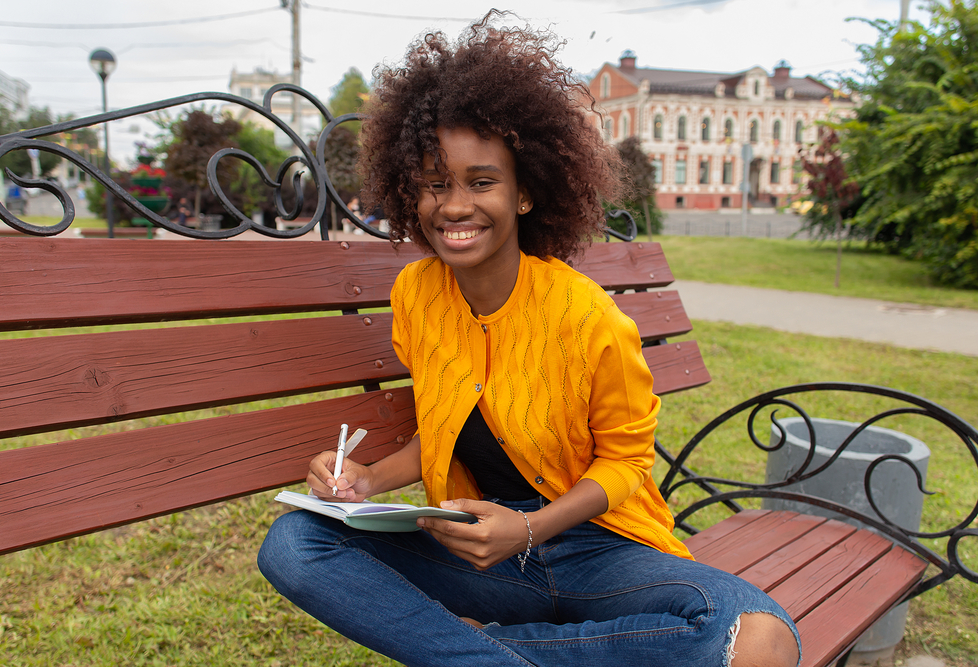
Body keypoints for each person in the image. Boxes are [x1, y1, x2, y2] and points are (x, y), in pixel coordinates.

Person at [258, 12, 801, 667]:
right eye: (435, 184)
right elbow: (446, 427)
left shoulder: (586, 315)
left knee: (761, 638)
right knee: (293, 541)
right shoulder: (417, 295)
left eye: (481, 181)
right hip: (471, 548)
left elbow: (627, 464)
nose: (453, 205)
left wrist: (532, 526)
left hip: (593, 547)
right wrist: (364, 477)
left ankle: (482, 652)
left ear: (523, 193)